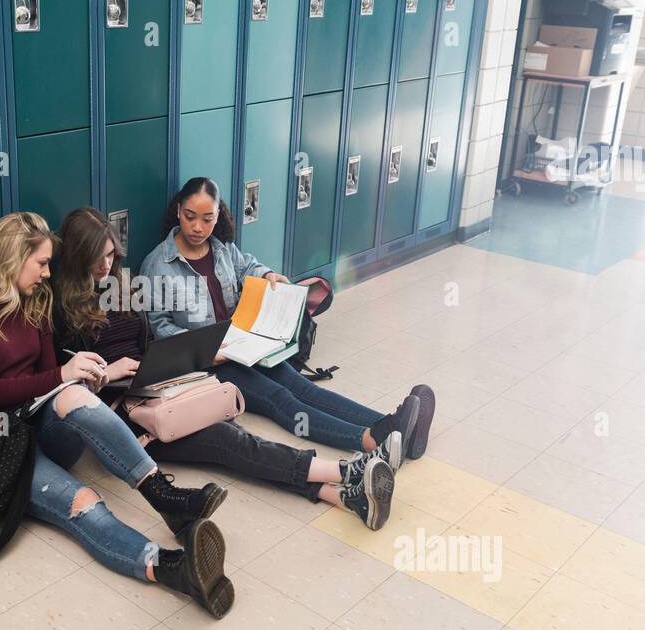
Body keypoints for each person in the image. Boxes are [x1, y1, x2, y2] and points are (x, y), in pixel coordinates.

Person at [0, 212, 233, 617]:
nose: (46, 274)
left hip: (38, 425)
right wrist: (61, 374)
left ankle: (164, 496)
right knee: (84, 501)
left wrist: (84, 379)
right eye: (40, 264)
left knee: (74, 395)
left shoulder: (36, 299)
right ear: (10, 258)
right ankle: (173, 570)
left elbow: (44, 379)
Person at [52, 207, 395, 528]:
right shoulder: (59, 309)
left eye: (110, 255)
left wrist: (169, 359)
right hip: (125, 415)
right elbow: (62, 388)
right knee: (231, 442)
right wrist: (108, 372)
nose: (104, 265)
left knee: (234, 439)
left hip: (157, 384)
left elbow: (145, 342)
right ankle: (346, 471)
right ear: (75, 255)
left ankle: (342, 497)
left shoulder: (121, 286)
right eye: (96, 258)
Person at [139, 177, 436, 470]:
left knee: (305, 389)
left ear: (218, 217)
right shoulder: (158, 264)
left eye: (208, 219)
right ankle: (371, 441)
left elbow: (249, 266)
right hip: (208, 362)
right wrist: (205, 350)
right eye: (190, 217)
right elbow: (159, 327)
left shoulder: (222, 249)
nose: (198, 228)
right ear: (179, 211)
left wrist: (268, 275)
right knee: (280, 400)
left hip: (243, 343)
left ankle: (393, 426)